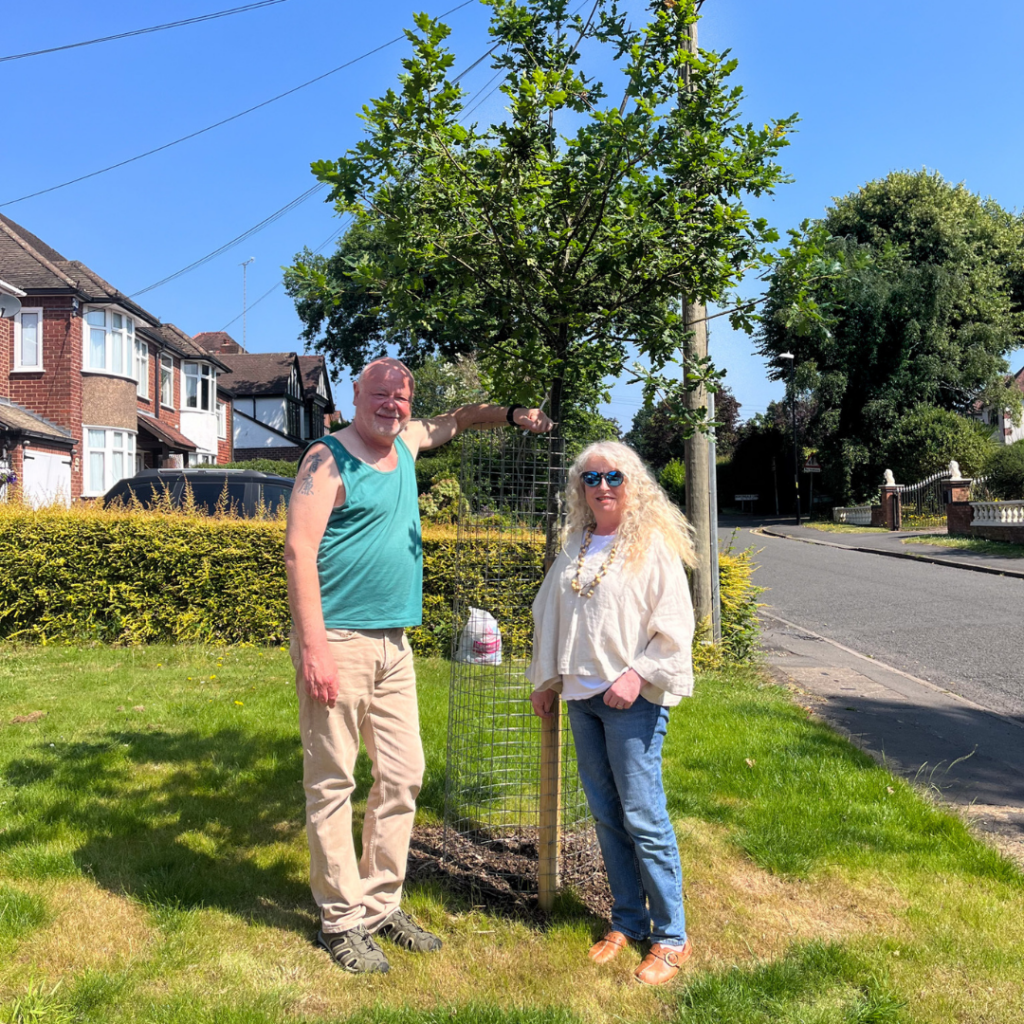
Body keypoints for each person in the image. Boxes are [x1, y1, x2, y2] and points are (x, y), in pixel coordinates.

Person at [285, 357, 553, 975]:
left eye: (401, 397)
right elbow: (299, 551)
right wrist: (316, 647)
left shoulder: (406, 440)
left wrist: (513, 415)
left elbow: (458, 420)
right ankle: (340, 920)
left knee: (404, 776)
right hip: (340, 641)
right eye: (380, 393)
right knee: (332, 784)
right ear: (355, 395)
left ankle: (381, 904)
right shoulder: (327, 459)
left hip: (394, 645)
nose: (392, 405)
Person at [528, 440, 697, 986]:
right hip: (582, 699)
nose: (602, 486)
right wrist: (547, 680)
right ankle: (626, 920)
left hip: (631, 701)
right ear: (581, 487)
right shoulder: (576, 543)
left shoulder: (650, 547)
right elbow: (549, 613)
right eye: (592, 477)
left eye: (614, 477)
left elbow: (674, 625)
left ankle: (671, 937)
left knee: (644, 816)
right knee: (605, 813)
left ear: (634, 485)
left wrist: (637, 674)